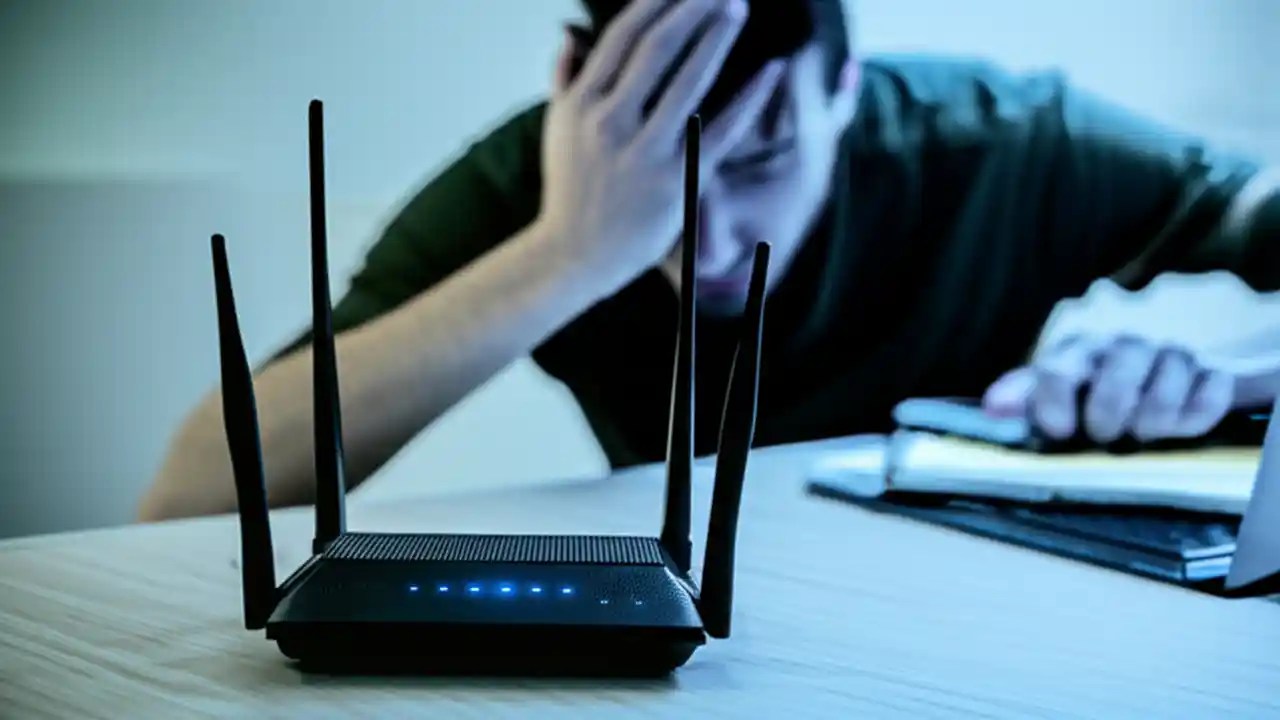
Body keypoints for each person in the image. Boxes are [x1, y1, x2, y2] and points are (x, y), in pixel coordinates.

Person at [138, 0, 1280, 521]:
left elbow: (1252, 214)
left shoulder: (1005, 140)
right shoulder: (538, 186)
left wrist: (1213, 361)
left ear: (844, 88)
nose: (712, 237)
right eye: (662, 179)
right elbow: (193, 493)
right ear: (574, 94)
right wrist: (571, 252)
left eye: (763, 153)